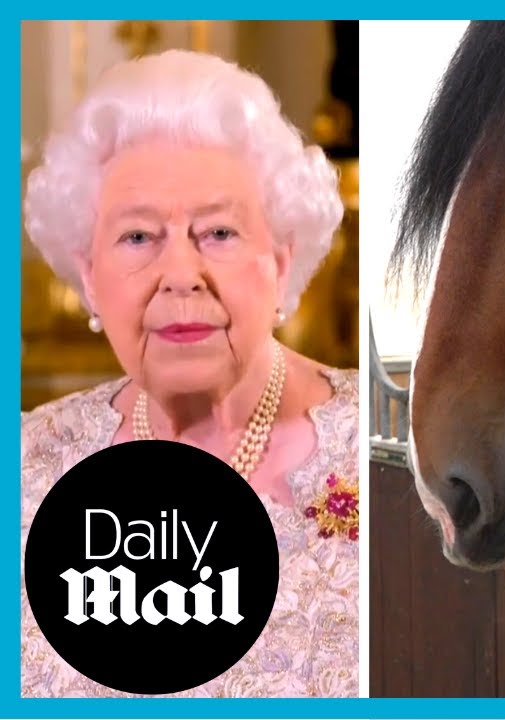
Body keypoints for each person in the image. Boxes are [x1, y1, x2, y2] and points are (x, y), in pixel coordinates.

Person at [20, 50, 358, 697]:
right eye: (139, 237)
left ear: (281, 262)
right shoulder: (23, 467)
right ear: (90, 276)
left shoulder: (379, 458)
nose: (181, 273)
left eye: (219, 233)